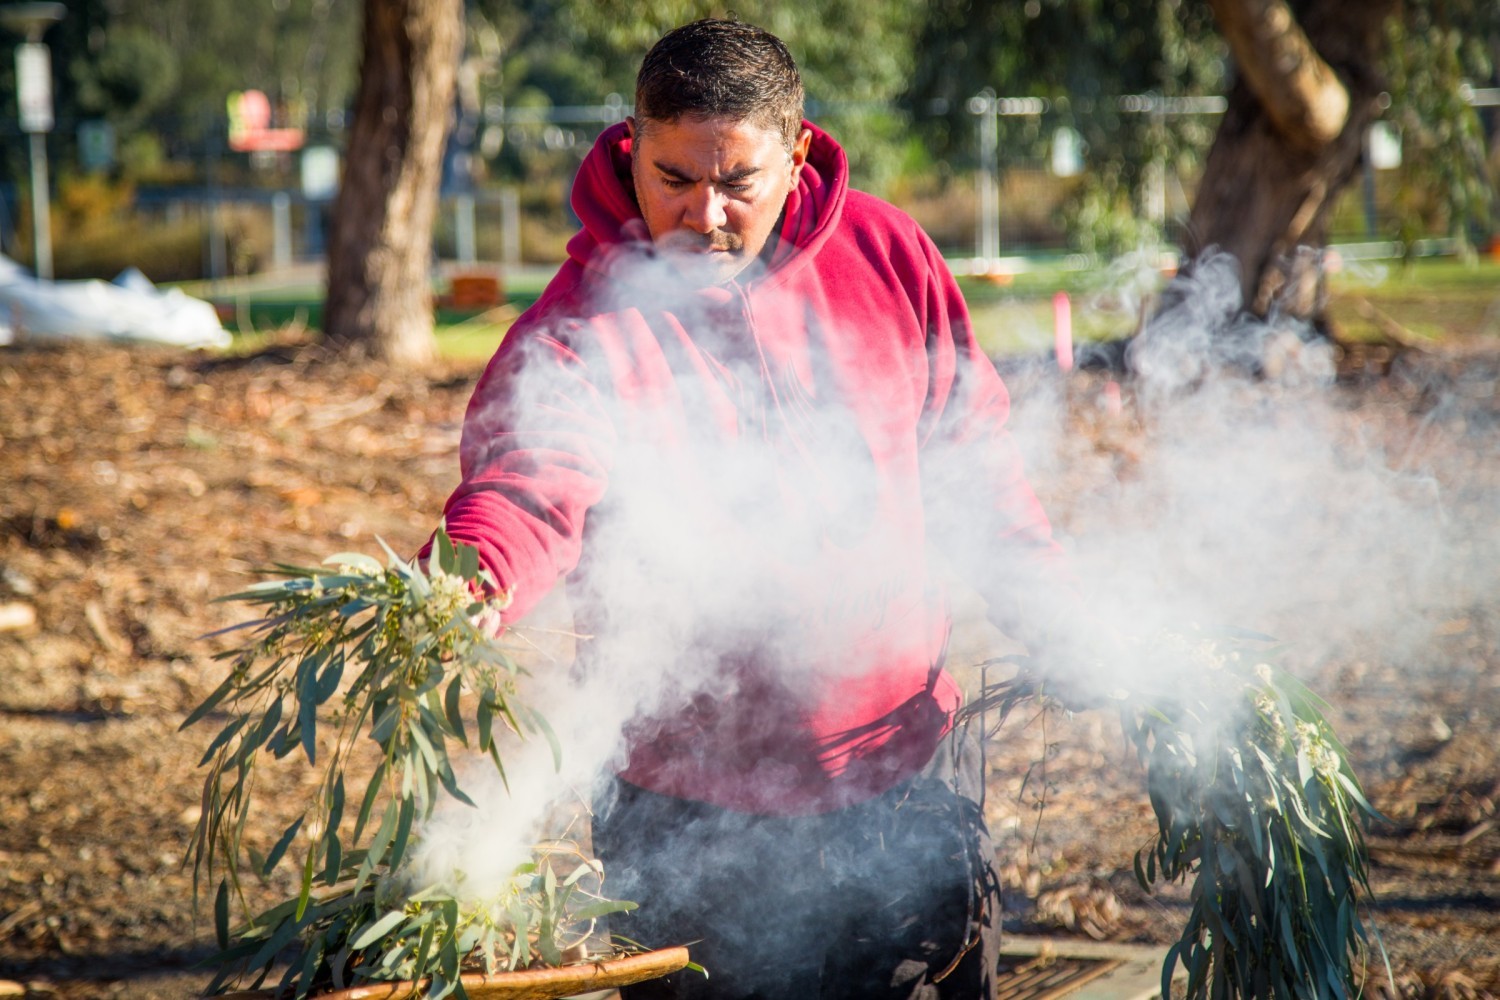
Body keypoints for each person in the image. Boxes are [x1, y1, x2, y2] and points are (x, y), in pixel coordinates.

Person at [433, 17, 1079, 1000]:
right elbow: (533, 471)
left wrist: (1064, 620)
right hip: (688, 814)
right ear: (631, 147)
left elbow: (975, 461)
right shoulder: (582, 324)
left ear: (800, 153)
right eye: (675, 179)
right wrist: (477, 575)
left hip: (899, 776)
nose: (706, 214)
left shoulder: (888, 255)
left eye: (738, 183)